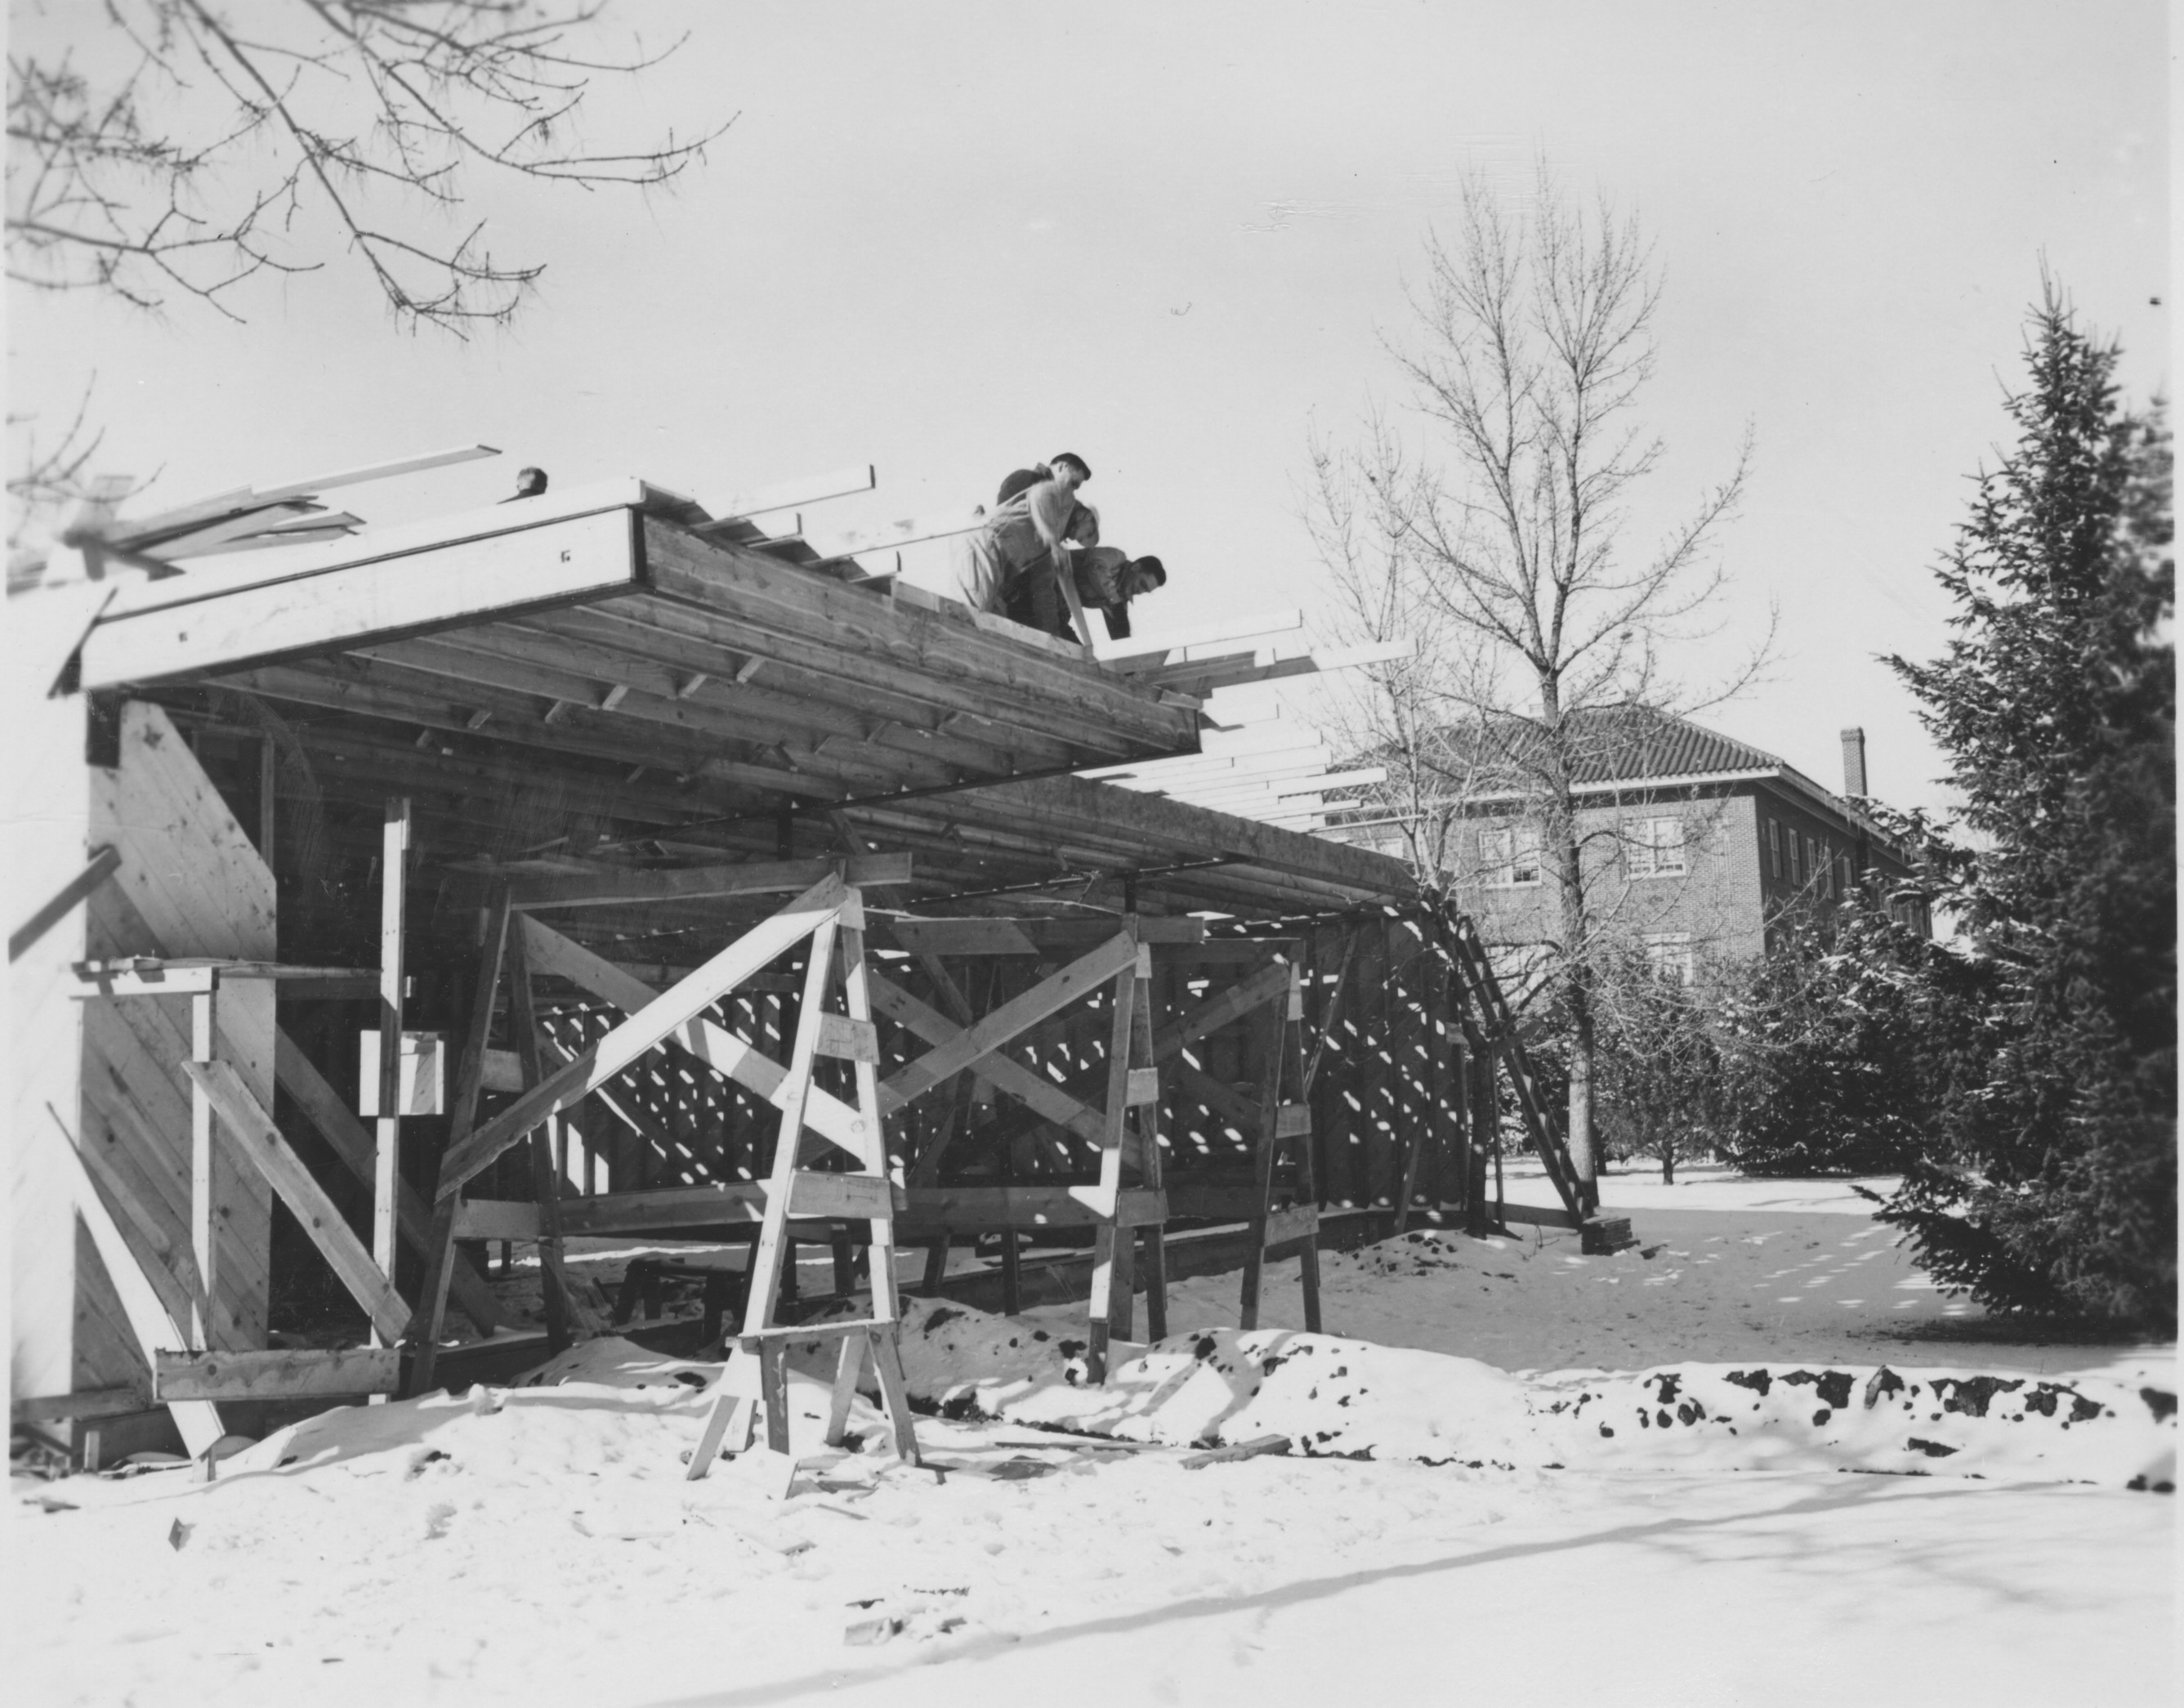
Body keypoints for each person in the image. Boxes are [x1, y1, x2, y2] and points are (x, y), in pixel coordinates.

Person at [952, 454, 1093, 636]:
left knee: (991, 631)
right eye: (1074, 484)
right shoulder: (1028, 479)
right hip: (983, 551)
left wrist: (1053, 637)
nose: (1072, 492)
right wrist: (1051, 540)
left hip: (998, 569)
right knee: (971, 625)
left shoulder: (1046, 543)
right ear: (1062, 467)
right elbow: (1007, 523)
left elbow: (1044, 589)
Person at [1070, 548, 1165, 640]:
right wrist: (1114, 600)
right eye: (1142, 584)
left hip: (1063, 603)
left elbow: (1119, 632)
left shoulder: (1120, 598)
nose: (1140, 592)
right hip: (1061, 571)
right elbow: (1095, 568)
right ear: (1136, 567)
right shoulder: (1116, 557)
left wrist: (1127, 643)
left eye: (1145, 590)